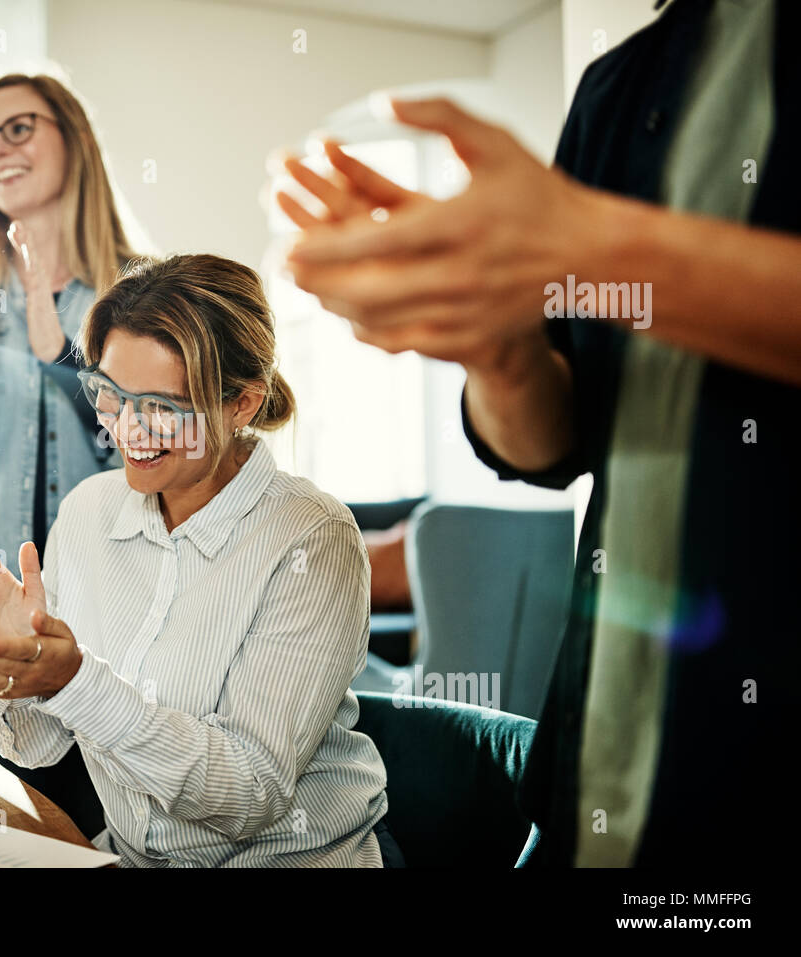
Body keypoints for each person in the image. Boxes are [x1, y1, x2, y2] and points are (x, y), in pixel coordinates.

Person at [279, 0, 796, 866]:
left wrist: (595, 246)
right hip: (605, 751)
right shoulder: (620, 86)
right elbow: (557, 441)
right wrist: (498, 350)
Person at [0, 254, 399, 867]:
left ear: (242, 404)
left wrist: (75, 680)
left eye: (162, 407)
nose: (127, 429)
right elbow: (39, 748)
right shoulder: (90, 511)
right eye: (110, 394)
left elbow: (250, 792)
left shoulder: (311, 538)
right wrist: (21, 673)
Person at [0, 73, 137, 837]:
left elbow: (147, 453)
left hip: (104, 640)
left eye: (18, 128)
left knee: (91, 839)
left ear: (71, 138)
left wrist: (58, 354)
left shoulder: (140, 292)